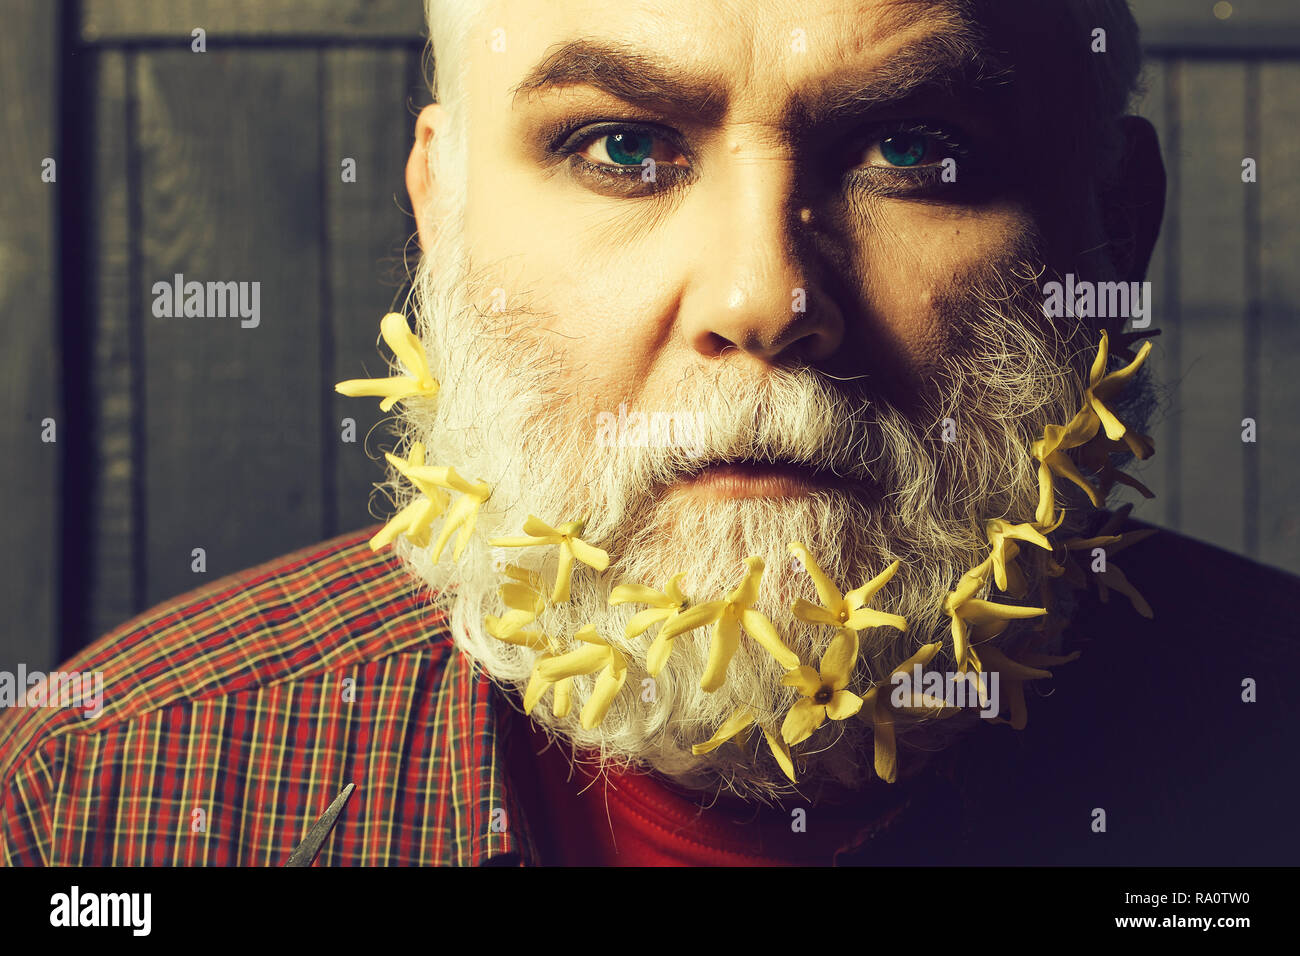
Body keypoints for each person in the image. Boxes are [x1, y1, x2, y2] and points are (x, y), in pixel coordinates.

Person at [2, 0, 1296, 866]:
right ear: (438, 219)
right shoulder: (106, 801)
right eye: (620, 146)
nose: (762, 298)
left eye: (915, 148)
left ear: (1114, 240)